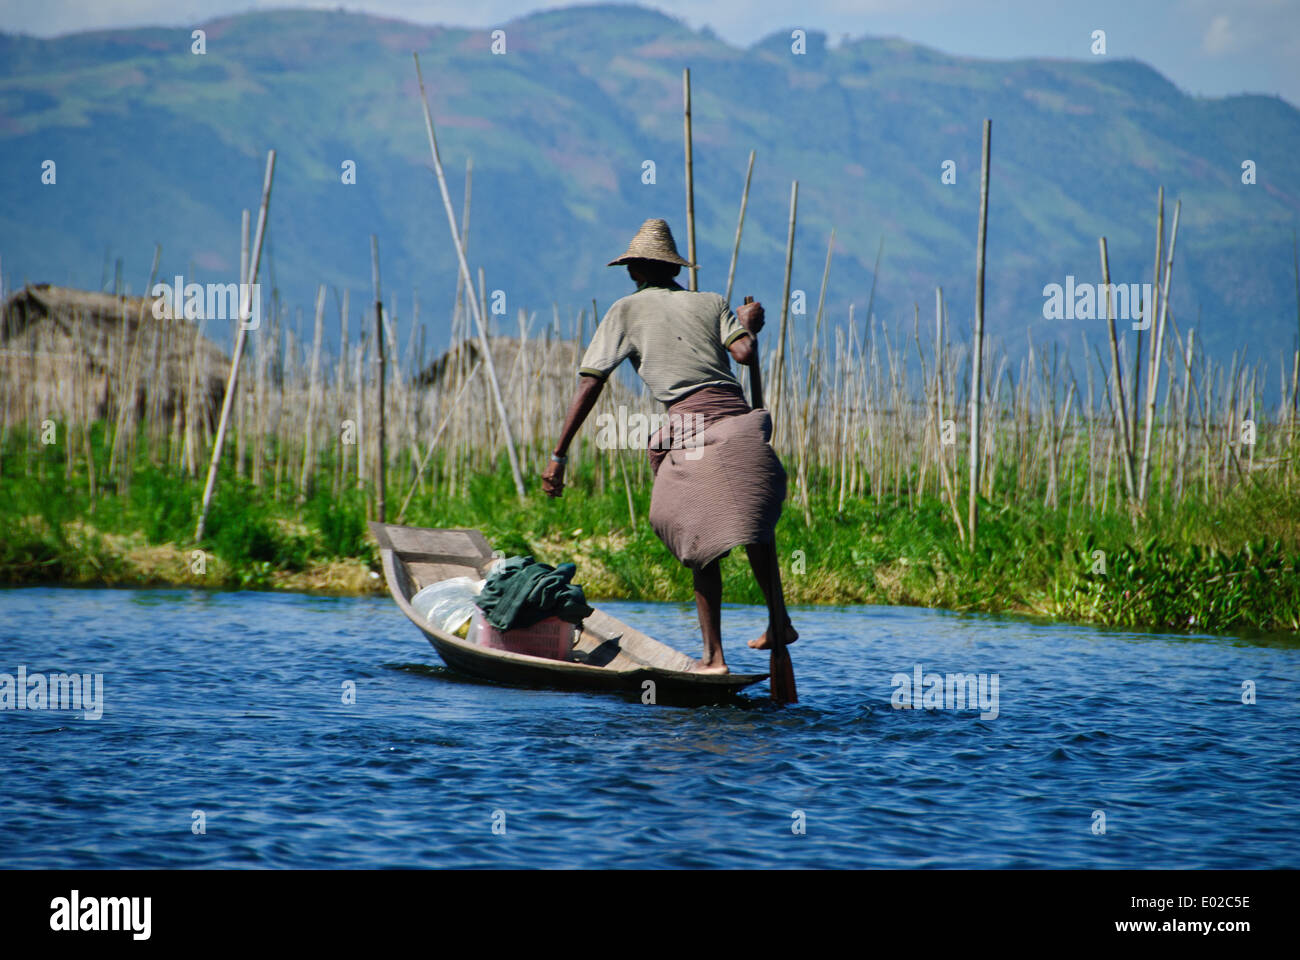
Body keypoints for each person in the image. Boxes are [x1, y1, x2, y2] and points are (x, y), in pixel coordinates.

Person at [541, 218, 796, 674]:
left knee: (698, 540)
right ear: (672, 268)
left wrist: (558, 455)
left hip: (695, 429)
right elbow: (745, 356)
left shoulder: (625, 310)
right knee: (756, 528)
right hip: (742, 427)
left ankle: (714, 658)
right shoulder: (713, 302)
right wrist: (749, 325)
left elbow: (590, 384)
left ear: (635, 269)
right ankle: (779, 622)